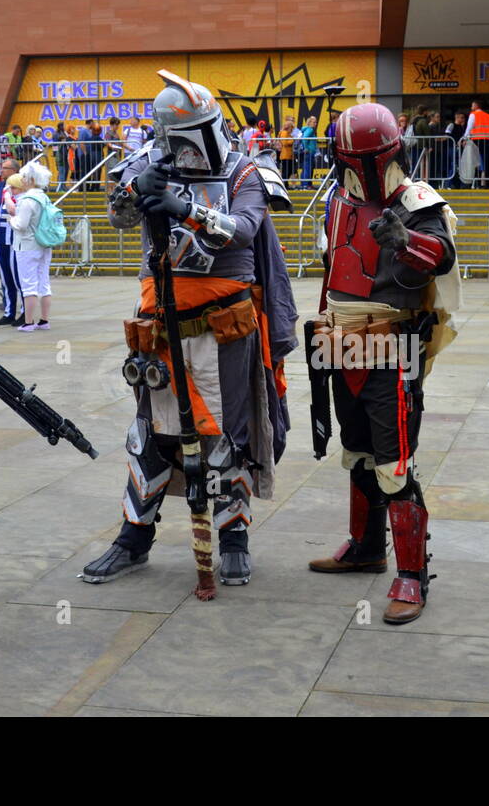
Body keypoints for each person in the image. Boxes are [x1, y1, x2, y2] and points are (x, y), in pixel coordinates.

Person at [82, 70, 298, 597]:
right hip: (160, 325)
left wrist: (186, 209)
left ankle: (233, 541)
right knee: (149, 437)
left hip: (225, 329)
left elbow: (243, 229)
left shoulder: (248, 170)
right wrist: (135, 190)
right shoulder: (148, 162)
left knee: (229, 438)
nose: (183, 146)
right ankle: (134, 538)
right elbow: (117, 216)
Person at [306, 102, 460, 626]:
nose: (362, 171)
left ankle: (412, 574)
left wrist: (408, 240)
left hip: (393, 347)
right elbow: (333, 269)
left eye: (368, 160)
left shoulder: (418, 202)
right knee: (356, 453)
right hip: (341, 343)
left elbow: (441, 255)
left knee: (394, 464)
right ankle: (366, 545)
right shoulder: (336, 200)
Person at [7, 161, 56, 331]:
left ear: (32, 180)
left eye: (25, 178)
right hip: (44, 242)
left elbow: (21, 224)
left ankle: (28, 322)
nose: (23, 181)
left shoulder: (27, 200)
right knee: (44, 283)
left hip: (27, 245)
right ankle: (44, 320)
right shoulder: (44, 197)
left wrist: (10, 219)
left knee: (28, 284)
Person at [0, 157, 24, 326]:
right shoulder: (2, 186)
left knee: (17, 275)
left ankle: (25, 311)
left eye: (5, 168)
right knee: (5, 273)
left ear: (14, 170)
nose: (1, 170)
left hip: (15, 234)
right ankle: (9, 310)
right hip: (2, 233)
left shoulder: (21, 187)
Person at [464, 99, 489, 184]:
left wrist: (464, 138)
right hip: (486, 140)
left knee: (476, 161)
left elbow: (469, 127)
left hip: (476, 141)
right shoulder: (488, 116)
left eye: (472, 105)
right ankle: (485, 182)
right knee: (485, 161)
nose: (471, 107)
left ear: (476, 106)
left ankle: (477, 182)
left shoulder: (473, 115)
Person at [299, 115, 319, 186]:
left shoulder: (308, 129)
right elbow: (304, 138)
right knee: (308, 168)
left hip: (310, 152)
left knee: (306, 168)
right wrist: (306, 148)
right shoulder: (310, 130)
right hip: (309, 152)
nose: (315, 124)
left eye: (316, 122)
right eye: (314, 122)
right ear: (309, 122)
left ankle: (307, 184)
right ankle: (306, 184)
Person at [277, 116, 297, 181]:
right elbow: (285, 142)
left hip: (288, 155)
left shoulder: (287, 133)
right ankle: (284, 184)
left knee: (289, 170)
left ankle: (286, 183)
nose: (292, 130)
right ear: (289, 127)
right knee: (286, 171)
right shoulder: (284, 133)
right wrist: (292, 140)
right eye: (292, 128)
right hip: (285, 155)